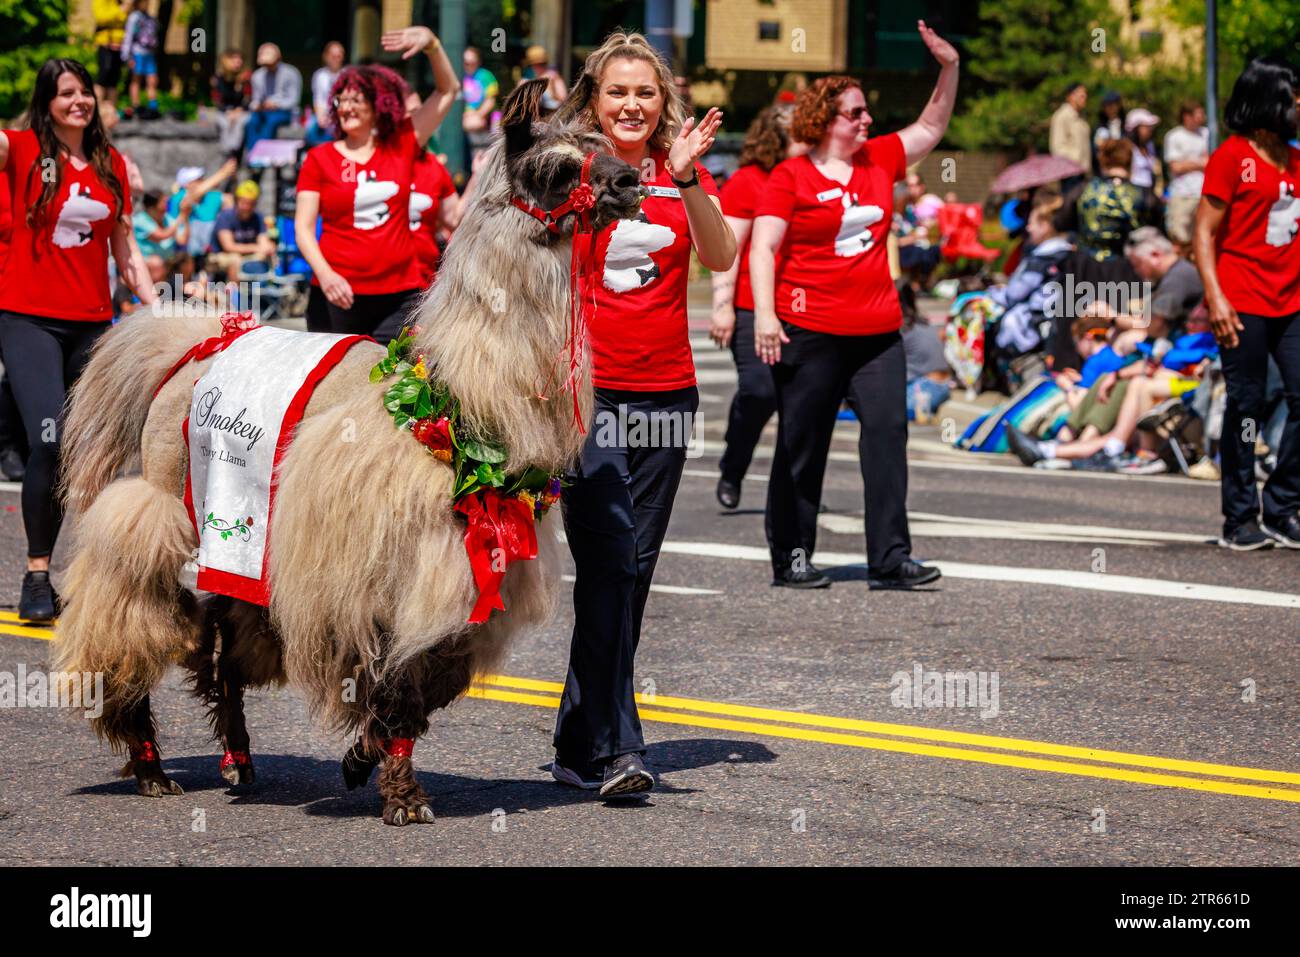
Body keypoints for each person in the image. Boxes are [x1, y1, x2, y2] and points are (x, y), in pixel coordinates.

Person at [547, 32, 734, 797]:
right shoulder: (567, 170)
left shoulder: (681, 173)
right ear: (595, 100)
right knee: (613, 560)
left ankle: (575, 739)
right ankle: (623, 747)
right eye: (617, 91)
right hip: (587, 395)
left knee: (630, 575)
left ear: (664, 104)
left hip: (666, 395)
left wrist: (688, 182)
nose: (631, 104)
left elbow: (720, 255)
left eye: (645, 92)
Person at [749, 19, 956, 592]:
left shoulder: (882, 160)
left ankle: (891, 558)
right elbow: (763, 248)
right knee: (801, 443)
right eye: (856, 113)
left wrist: (949, 66)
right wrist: (765, 314)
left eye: (867, 112)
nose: (868, 120)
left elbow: (932, 125)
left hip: (877, 332)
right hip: (808, 329)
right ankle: (791, 554)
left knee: (889, 431)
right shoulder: (790, 176)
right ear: (826, 119)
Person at [0, 59, 155, 620]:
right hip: (27, 320)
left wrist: (158, 308)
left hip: (93, 322)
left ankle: (94, 575)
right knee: (48, 440)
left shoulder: (112, 164)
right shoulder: (19, 150)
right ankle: (37, 574)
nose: (78, 101)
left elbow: (125, 251)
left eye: (84, 92)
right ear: (48, 102)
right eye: (65, 93)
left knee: (94, 452)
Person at [1194, 56, 1300, 550]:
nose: (1299, 105)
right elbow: (1203, 232)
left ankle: (1282, 506)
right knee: (1249, 404)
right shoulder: (1232, 157)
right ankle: (1240, 517)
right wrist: (1215, 297)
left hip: (1292, 301)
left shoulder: (1297, 160)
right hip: (1242, 299)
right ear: (1268, 101)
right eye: (1293, 96)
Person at [294, 27, 456, 340]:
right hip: (336, 294)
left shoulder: (401, 144)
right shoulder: (319, 158)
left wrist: (432, 45)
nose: (346, 107)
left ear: (377, 105)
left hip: (399, 296)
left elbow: (447, 91)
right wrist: (325, 276)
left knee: (393, 382)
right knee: (336, 385)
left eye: (356, 99)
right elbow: (303, 228)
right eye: (341, 100)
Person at [710, 103, 805, 510]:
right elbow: (726, 251)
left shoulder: (812, 179)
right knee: (759, 390)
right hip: (751, 306)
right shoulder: (749, 181)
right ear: (777, 137)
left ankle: (792, 491)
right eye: (800, 133)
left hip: (801, 309)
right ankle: (734, 464)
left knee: (799, 401)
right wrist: (722, 306)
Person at [1056, 138, 1155, 261]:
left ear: (1102, 161)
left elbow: (1060, 222)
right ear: (1130, 161)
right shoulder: (1144, 194)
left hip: (1086, 267)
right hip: (1128, 268)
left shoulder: (1083, 189)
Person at [403, 91, 458, 285]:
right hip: (379, 286)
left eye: (421, 111)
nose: (421, 118)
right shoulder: (376, 161)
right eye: (412, 112)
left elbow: (453, 219)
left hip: (423, 283)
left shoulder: (433, 165)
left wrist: (477, 176)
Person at [1163, 100, 1209, 251]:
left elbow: (1211, 161)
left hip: (1202, 193)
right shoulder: (1174, 136)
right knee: (1180, 237)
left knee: (1199, 238)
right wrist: (1200, 163)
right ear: (1187, 116)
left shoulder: (1206, 134)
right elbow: (1175, 166)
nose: (1202, 117)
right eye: (1199, 113)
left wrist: (1189, 163)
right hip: (1181, 194)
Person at [209, 180, 275, 281]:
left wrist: (268, 247)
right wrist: (256, 247)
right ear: (237, 200)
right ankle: (235, 294)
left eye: (251, 204)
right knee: (235, 260)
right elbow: (229, 246)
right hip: (221, 256)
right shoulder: (226, 216)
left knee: (267, 257)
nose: (246, 207)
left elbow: (263, 242)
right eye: (244, 202)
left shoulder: (258, 218)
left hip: (247, 255)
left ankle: (264, 289)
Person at [245, 44, 303, 154]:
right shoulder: (257, 76)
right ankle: (253, 155)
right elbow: (255, 100)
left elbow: (294, 100)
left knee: (271, 122)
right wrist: (257, 105)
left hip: (284, 111)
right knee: (252, 122)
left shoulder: (291, 73)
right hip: (263, 111)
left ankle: (262, 154)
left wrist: (276, 104)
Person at [122, 0, 161, 119]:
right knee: (136, 80)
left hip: (149, 53)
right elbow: (128, 36)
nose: (147, 4)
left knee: (152, 80)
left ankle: (153, 106)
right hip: (137, 53)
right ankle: (136, 106)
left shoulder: (150, 18)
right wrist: (127, 56)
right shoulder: (134, 17)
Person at [210, 48, 251, 160]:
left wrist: (238, 110)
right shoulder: (218, 78)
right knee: (224, 122)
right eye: (234, 59)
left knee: (240, 122)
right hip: (225, 111)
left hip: (242, 111)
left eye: (240, 59)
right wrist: (228, 111)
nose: (238, 62)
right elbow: (217, 100)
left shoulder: (246, 78)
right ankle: (227, 153)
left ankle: (233, 153)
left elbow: (249, 99)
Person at [1050, 82, 1092, 191]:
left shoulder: (1081, 119)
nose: (1085, 98)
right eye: (1081, 95)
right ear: (1071, 96)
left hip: (1083, 173)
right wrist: (1076, 159)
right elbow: (1057, 148)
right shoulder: (1061, 116)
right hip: (1070, 174)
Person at [461, 46, 499, 163]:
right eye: (466, 62)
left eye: (472, 62)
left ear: (478, 62)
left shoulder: (486, 76)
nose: (469, 65)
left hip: (482, 118)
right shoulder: (460, 75)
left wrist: (478, 115)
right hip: (464, 117)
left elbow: (490, 101)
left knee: (473, 123)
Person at [307, 41, 345, 147]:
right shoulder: (319, 75)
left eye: (339, 56)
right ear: (326, 57)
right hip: (323, 113)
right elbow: (318, 98)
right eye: (333, 56)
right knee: (311, 130)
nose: (336, 59)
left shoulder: (346, 74)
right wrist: (320, 116)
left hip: (341, 113)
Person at [92, 0, 127, 107]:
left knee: (114, 80)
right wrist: (120, 11)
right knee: (103, 77)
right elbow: (101, 17)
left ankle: (111, 112)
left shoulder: (120, 2)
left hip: (120, 44)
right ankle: (97, 110)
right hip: (106, 43)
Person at [521, 44, 568, 114]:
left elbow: (563, 99)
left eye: (541, 64)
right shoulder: (527, 80)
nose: (538, 67)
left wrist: (552, 88)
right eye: (536, 65)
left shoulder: (553, 76)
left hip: (551, 115)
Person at [1125, 107, 1161, 191]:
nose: (1150, 130)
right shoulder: (1127, 147)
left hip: (1149, 192)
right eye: (1146, 127)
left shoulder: (1150, 146)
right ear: (1135, 129)